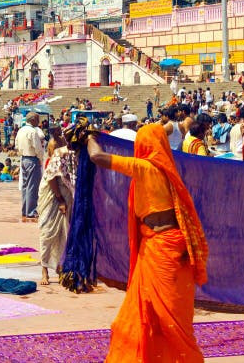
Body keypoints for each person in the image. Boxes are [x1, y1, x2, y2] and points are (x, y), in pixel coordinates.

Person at [87, 124, 207, 362]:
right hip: (157, 248)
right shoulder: (166, 170)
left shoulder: (146, 168)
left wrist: (89, 137)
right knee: (149, 313)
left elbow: (97, 157)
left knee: (171, 319)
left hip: (165, 250)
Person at [38, 135, 76, 285]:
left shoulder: (68, 156)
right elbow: (51, 179)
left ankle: (60, 268)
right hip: (53, 198)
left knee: (63, 233)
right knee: (47, 232)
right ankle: (44, 270)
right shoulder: (54, 159)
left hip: (65, 197)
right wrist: (60, 200)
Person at [15, 112, 45, 220]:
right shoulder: (33, 131)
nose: (38, 122)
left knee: (25, 185)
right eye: (37, 119)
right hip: (32, 159)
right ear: (32, 120)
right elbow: (38, 148)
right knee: (32, 186)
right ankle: (31, 211)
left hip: (23, 158)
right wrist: (40, 159)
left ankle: (25, 210)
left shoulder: (21, 130)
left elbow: (16, 145)